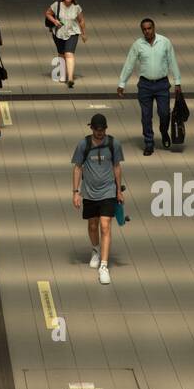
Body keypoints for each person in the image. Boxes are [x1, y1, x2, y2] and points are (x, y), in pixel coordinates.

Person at [71, 113, 124, 286]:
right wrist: (76, 192)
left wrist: (118, 190)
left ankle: (104, 265)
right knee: (93, 225)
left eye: (102, 130)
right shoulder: (83, 145)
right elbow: (77, 168)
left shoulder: (113, 144)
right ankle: (95, 250)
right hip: (89, 193)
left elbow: (117, 166)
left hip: (108, 191)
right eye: (97, 130)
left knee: (105, 225)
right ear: (92, 128)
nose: (100, 133)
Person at [117, 17, 182, 156]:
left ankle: (164, 132)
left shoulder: (164, 42)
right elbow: (129, 64)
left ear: (154, 28)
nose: (147, 31)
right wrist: (122, 83)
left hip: (162, 84)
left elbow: (172, 61)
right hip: (145, 85)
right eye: (144, 29)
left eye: (149, 28)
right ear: (142, 30)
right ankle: (149, 143)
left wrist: (177, 81)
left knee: (164, 113)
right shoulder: (137, 45)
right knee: (146, 116)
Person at [45, 0, 86, 88]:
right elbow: (48, 13)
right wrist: (54, 21)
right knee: (61, 54)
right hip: (58, 33)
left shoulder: (76, 7)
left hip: (72, 33)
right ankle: (63, 75)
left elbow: (81, 20)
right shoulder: (56, 5)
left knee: (69, 54)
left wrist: (83, 33)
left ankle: (71, 78)